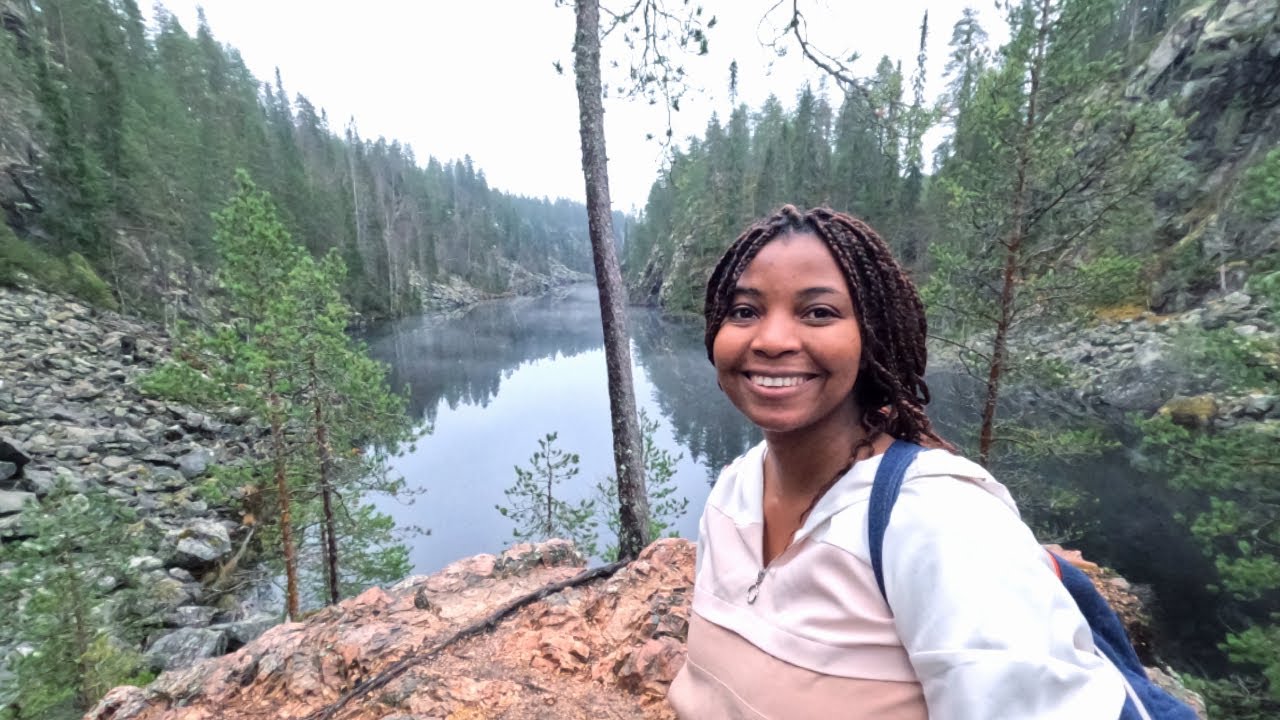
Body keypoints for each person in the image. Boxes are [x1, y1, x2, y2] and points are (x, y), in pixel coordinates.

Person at [667, 205, 1128, 719]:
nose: (772, 340)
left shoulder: (939, 523)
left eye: (818, 312)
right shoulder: (734, 491)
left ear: (873, 337)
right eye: (744, 311)